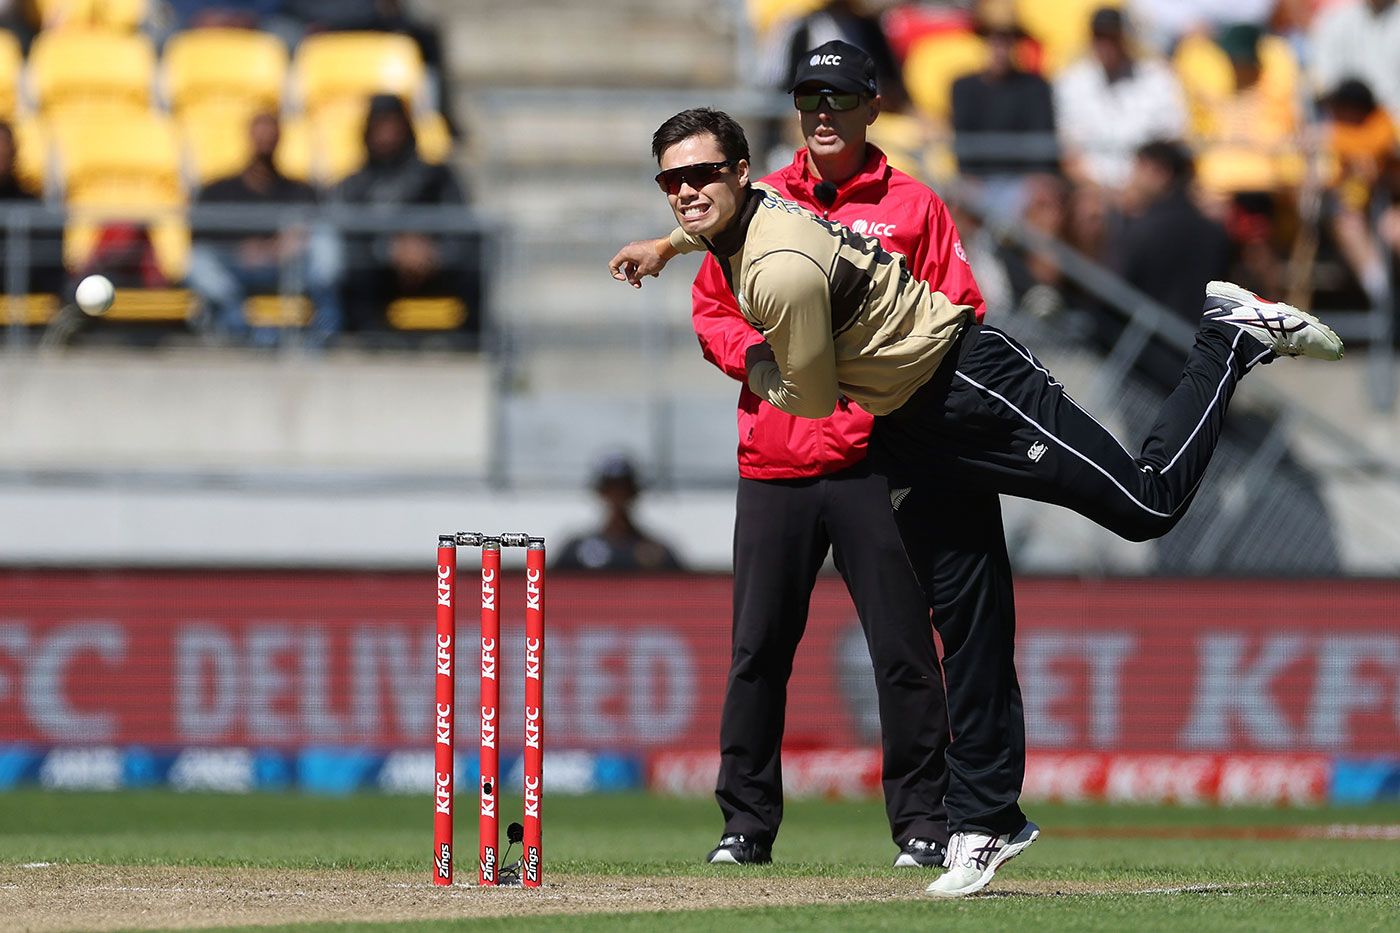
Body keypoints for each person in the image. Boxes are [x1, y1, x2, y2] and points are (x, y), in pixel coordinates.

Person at [608, 107, 1343, 897]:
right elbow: (718, 226)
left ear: (743, 172)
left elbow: (813, 396)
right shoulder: (753, 214)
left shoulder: (777, 267)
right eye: (672, 181)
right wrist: (664, 244)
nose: (687, 193)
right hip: (908, 430)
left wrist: (760, 369)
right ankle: (986, 817)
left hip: (968, 387)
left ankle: (1228, 339)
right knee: (970, 618)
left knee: (1147, 504)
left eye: (702, 174)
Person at [691, 40, 984, 870]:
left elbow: (956, 314)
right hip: (776, 461)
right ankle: (744, 825)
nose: (822, 114)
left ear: (871, 108)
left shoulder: (917, 207)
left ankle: (923, 823)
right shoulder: (759, 201)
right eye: (809, 99)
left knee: (902, 651)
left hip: (875, 463)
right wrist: (754, 358)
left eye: (839, 98)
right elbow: (713, 305)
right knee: (757, 654)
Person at [188, 112, 343, 347]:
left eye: (271, 134)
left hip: (287, 268)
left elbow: (312, 227)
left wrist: (280, 246)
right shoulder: (217, 191)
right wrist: (242, 250)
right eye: (259, 133)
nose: (265, 140)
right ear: (247, 136)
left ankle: (325, 325)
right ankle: (241, 326)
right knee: (198, 262)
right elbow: (200, 237)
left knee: (324, 240)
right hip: (235, 268)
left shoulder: (300, 191)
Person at [336, 94, 477, 335]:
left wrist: (433, 252)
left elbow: (459, 222)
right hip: (381, 271)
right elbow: (348, 234)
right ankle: (368, 340)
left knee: (475, 263)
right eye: (379, 126)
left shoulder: (436, 176)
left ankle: (469, 340)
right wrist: (390, 250)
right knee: (355, 270)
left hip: (434, 266)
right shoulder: (354, 184)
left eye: (393, 125)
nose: (387, 133)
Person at [1053, 6, 1187, 193]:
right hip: (1090, 191)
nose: (1106, 45)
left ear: (1125, 38)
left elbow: (1171, 138)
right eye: (1100, 37)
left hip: (1147, 188)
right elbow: (1069, 155)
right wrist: (1100, 191)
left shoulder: (1157, 77)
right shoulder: (1071, 82)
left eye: (1113, 38)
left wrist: (1138, 185)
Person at [950, 3, 1058, 221]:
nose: (1000, 46)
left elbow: (1042, 140)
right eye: (994, 38)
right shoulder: (963, 87)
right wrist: (970, 184)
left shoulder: (1036, 87)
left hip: (1024, 183)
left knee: (1046, 210)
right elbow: (963, 143)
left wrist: (1037, 183)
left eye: (1007, 39)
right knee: (953, 209)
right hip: (978, 181)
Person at [553, 453, 684, 572]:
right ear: (601, 493)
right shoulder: (577, 550)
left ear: (634, 493)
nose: (618, 496)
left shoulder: (657, 553)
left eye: (625, 489)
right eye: (611, 489)